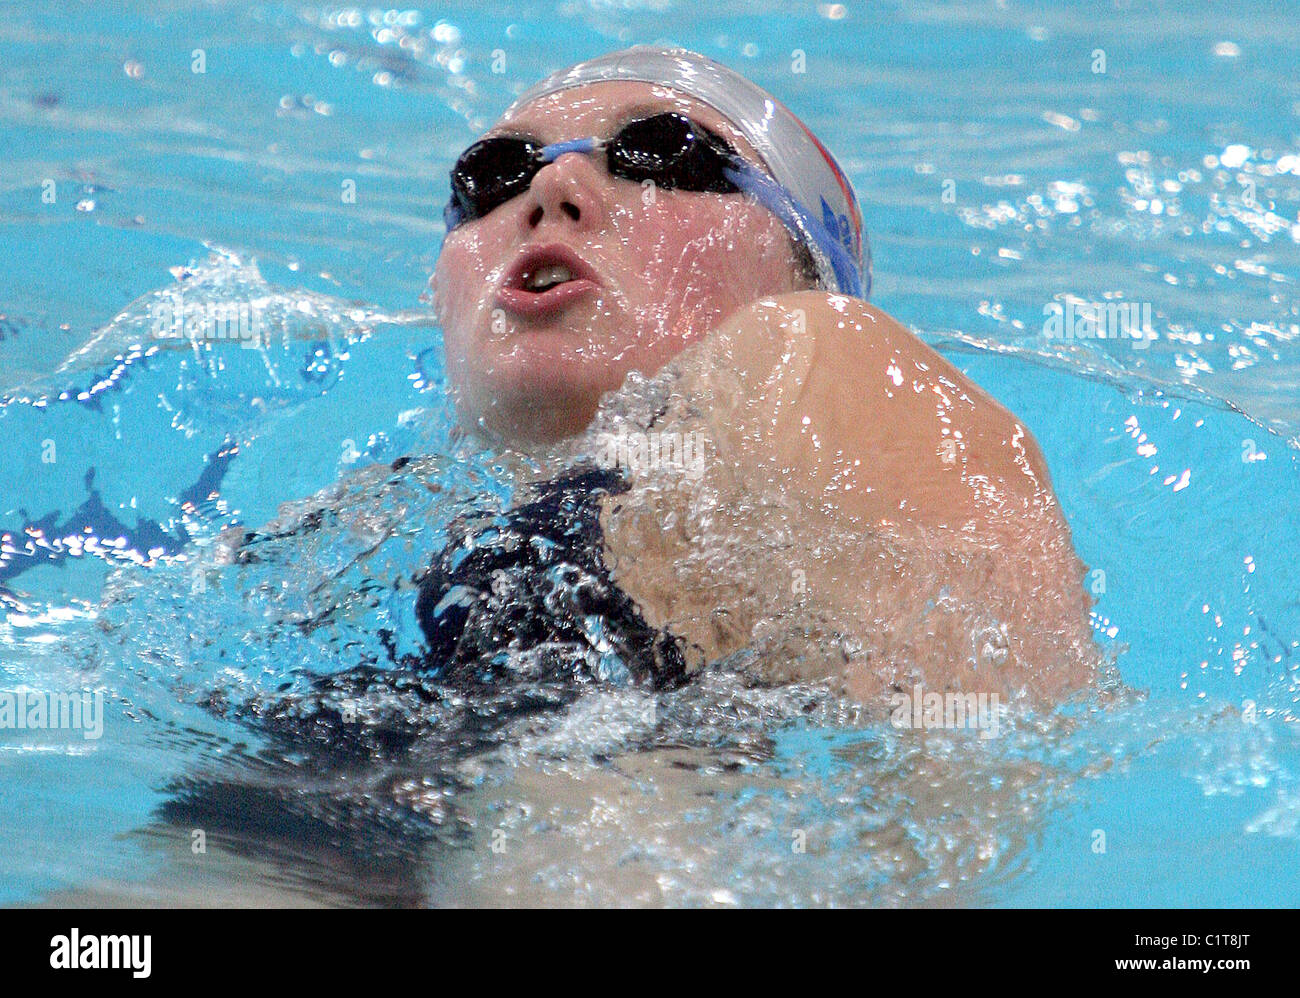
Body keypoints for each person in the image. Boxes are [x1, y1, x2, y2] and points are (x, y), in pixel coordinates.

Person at [426, 45, 1096, 709]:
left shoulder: (832, 345)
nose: (551, 189)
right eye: (495, 174)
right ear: (438, 299)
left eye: (662, 150)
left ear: (806, 275)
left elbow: (989, 758)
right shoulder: (404, 517)